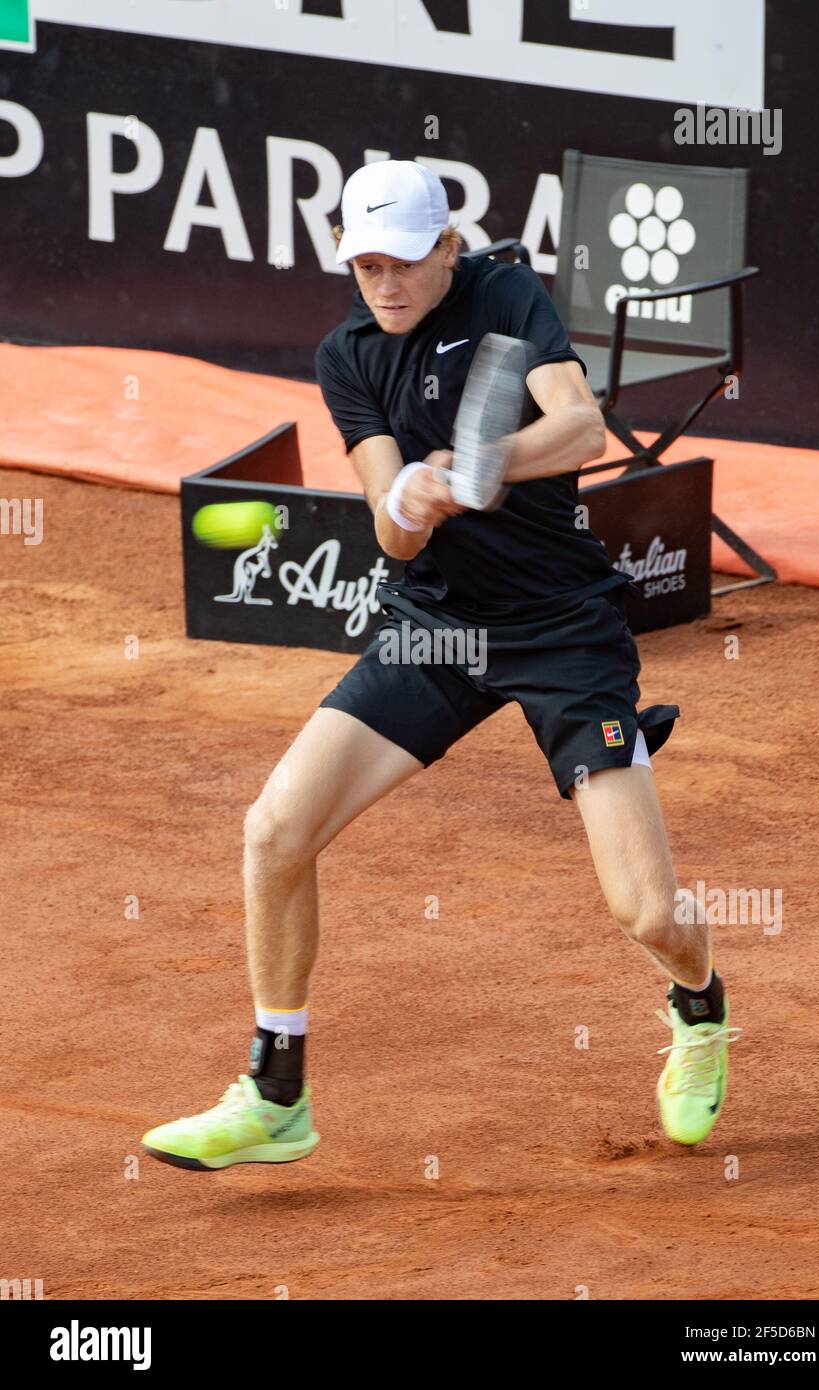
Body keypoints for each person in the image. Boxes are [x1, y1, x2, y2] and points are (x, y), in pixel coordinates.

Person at [142, 161, 739, 1170]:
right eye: (366, 263)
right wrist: (407, 506)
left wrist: (477, 469)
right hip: (434, 626)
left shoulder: (505, 298)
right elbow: (393, 536)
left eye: (405, 261)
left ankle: (698, 1007)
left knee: (646, 911)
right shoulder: (347, 355)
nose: (385, 283)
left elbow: (583, 427)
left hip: (560, 629)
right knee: (276, 828)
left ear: (448, 250)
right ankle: (276, 1091)